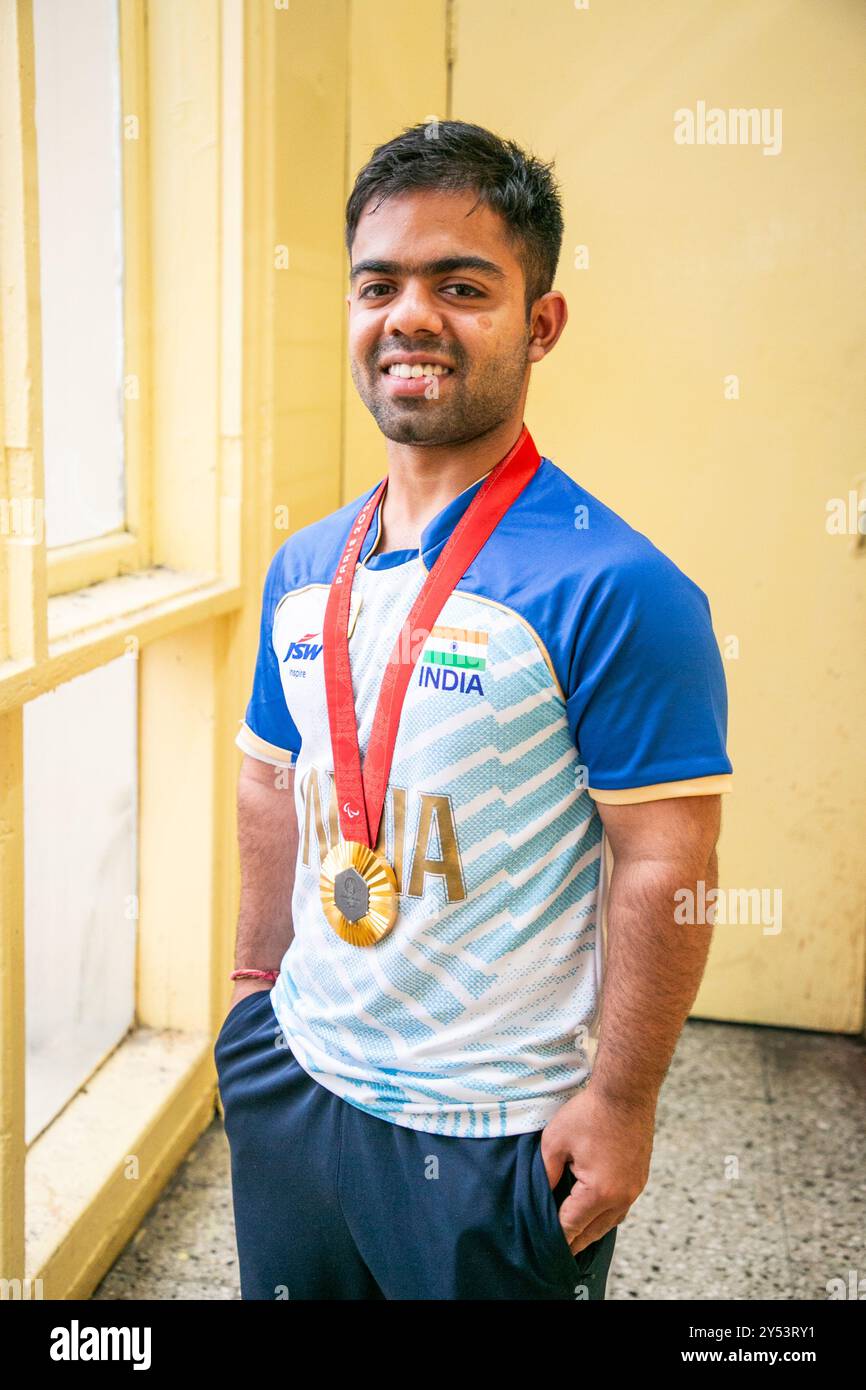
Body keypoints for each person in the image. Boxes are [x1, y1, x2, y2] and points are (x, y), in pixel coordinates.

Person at [214, 120, 733, 1301]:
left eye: (462, 286)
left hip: (498, 1125)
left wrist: (621, 1103)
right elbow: (267, 779)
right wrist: (252, 996)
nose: (410, 316)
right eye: (378, 283)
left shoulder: (617, 585)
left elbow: (663, 859)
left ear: (537, 324)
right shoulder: (303, 567)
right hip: (298, 1080)